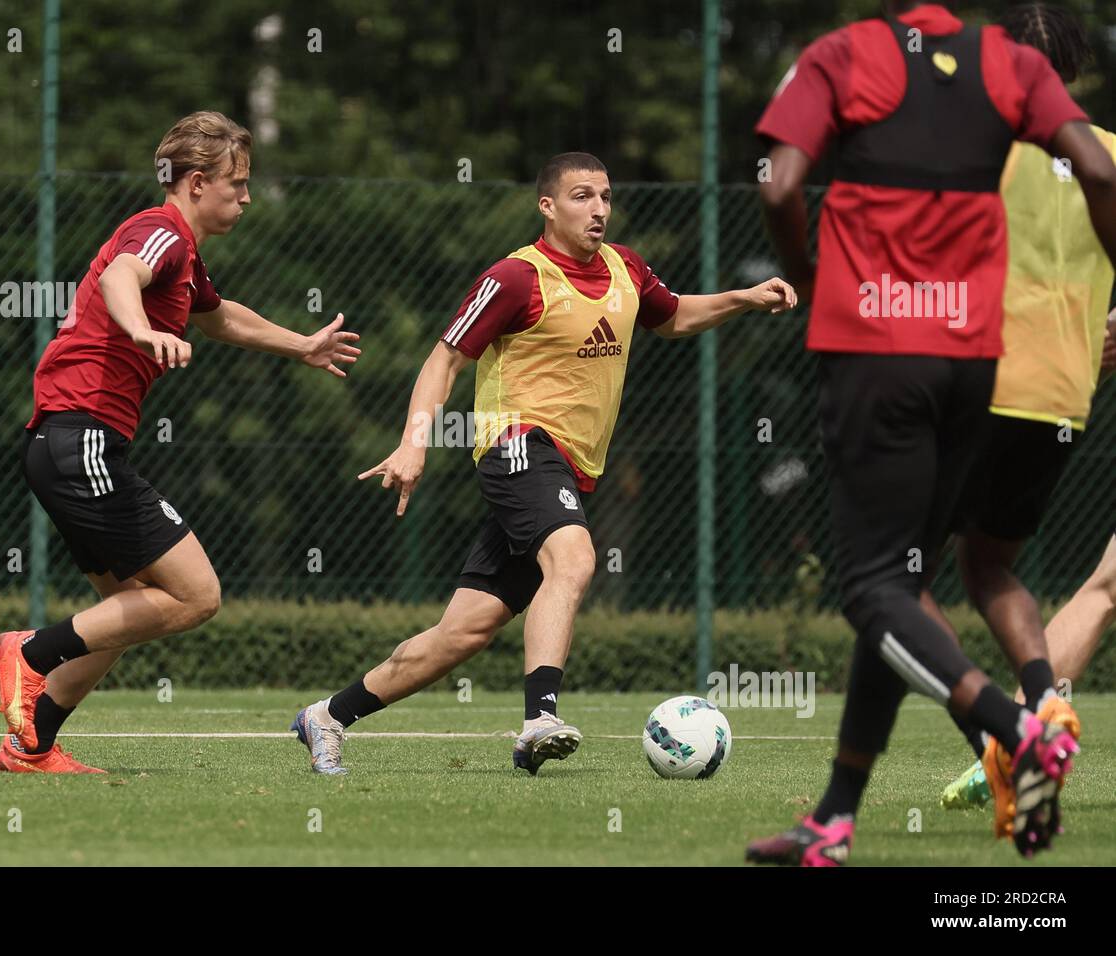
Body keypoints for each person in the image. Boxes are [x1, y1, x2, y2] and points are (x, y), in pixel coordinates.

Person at [748, 1, 1116, 865]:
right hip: (990, 365)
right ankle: (835, 817)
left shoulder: (844, 54)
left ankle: (1016, 731)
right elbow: (1098, 175)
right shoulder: (1011, 76)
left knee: (875, 587)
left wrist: (805, 267)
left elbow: (777, 183)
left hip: (879, 348)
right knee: (923, 571)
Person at [292, 152, 795, 775]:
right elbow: (443, 361)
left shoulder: (626, 268)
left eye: (606, 195)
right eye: (582, 196)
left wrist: (742, 297)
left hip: (571, 467)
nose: (600, 209)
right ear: (547, 207)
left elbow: (672, 316)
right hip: (517, 445)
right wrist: (415, 440)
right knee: (576, 557)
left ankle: (327, 717)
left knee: (464, 633)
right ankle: (540, 719)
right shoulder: (514, 278)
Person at [0, 111, 362, 773]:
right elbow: (119, 278)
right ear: (195, 182)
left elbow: (217, 317)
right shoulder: (159, 231)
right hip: (82, 442)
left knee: (127, 609)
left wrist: (300, 343)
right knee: (196, 596)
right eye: (235, 183)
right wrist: (138, 330)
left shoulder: (184, 254)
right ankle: (30, 655)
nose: (244, 197)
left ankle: (31, 744)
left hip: (65, 443)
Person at [927, 3, 1116, 818]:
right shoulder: (1108, 154)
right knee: (988, 565)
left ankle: (997, 734)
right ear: (1076, 67)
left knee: (888, 575)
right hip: (1062, 398)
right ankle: (1043, 708)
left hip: (972, 384)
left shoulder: (969, 142)